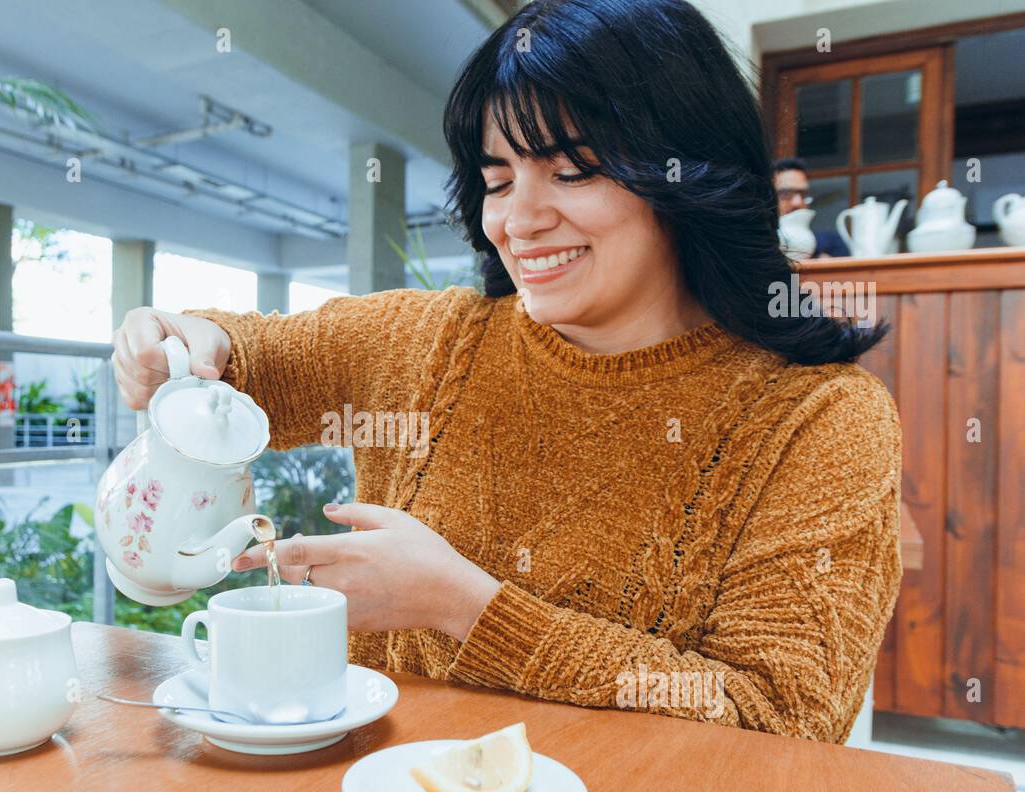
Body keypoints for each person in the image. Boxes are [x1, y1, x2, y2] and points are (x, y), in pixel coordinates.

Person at [111, 0, 902, 743]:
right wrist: (183, 340)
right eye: (496, 181)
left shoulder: (820, 419)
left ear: (684, 173)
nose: (517, 221)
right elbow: (255, 358)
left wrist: (465, 608)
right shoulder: (433, 341)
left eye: (571, 171)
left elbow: (783, 721)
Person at [774, 157, 850, 257]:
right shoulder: (755, 247)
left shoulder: (831, 244)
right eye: (785, 193)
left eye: (803, 194)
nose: (797, 202)